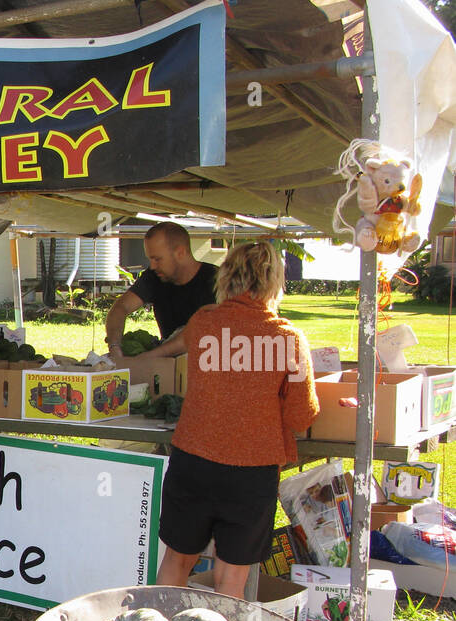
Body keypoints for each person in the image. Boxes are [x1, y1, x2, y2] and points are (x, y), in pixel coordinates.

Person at [155, 242, 319, 599]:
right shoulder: (288, 338)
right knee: (231, 578)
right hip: (252, 469)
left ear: (226, 275)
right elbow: (301, 415)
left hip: (193, 458)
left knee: (177, 559)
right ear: (275, 280)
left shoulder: (203, 323)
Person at [105, 221, 218, 359]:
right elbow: (121, 307)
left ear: (180, 253)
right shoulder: (155, 277)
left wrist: (149, 357)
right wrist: (114, 346)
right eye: (150, 259)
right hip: (168, 366)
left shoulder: (216, 280)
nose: (152, 266)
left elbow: (195, 333)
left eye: (157, 259)